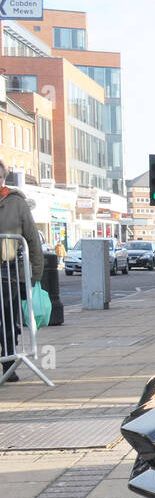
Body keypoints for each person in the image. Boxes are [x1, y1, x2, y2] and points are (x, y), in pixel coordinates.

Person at [0, 157, 44, 383]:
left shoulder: (16, 202)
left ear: (3, 178)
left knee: (7, 320)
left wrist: (36, 273)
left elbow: (32, 238)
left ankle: (8, 364)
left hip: (8, 272)